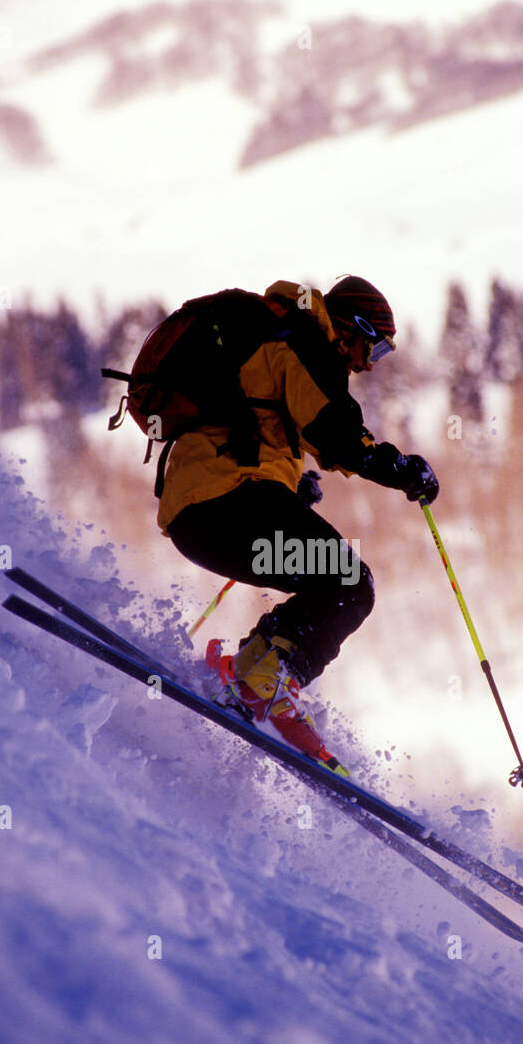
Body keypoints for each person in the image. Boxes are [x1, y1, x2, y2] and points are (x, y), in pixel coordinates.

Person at [159, 275, 439, 772]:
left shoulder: (282, 336)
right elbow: (338, 435)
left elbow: (258, 421)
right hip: (226, 505)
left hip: (202, 514)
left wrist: (288, 488)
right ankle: (262, 679)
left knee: (334, 582)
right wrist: (403, 469)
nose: (365, 365)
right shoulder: (306, 341)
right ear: (352, 330)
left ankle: (255, 674)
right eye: (374, 351)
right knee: (348, 585)